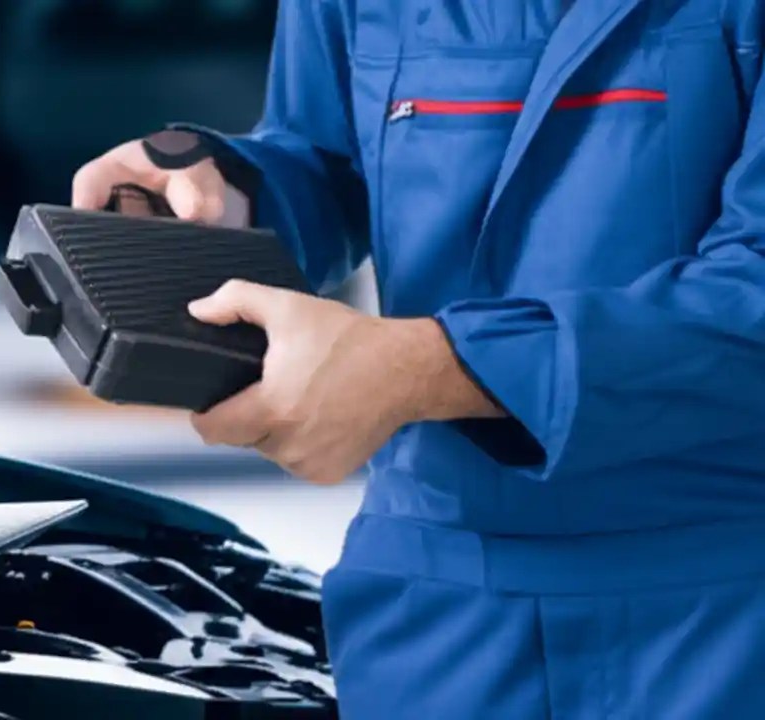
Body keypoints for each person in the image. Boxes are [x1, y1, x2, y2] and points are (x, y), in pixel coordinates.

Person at [73, 0, 765, 717]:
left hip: (721, 599)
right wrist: (228, 193)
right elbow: (330, 159)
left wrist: (423, 367)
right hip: (434, 596)